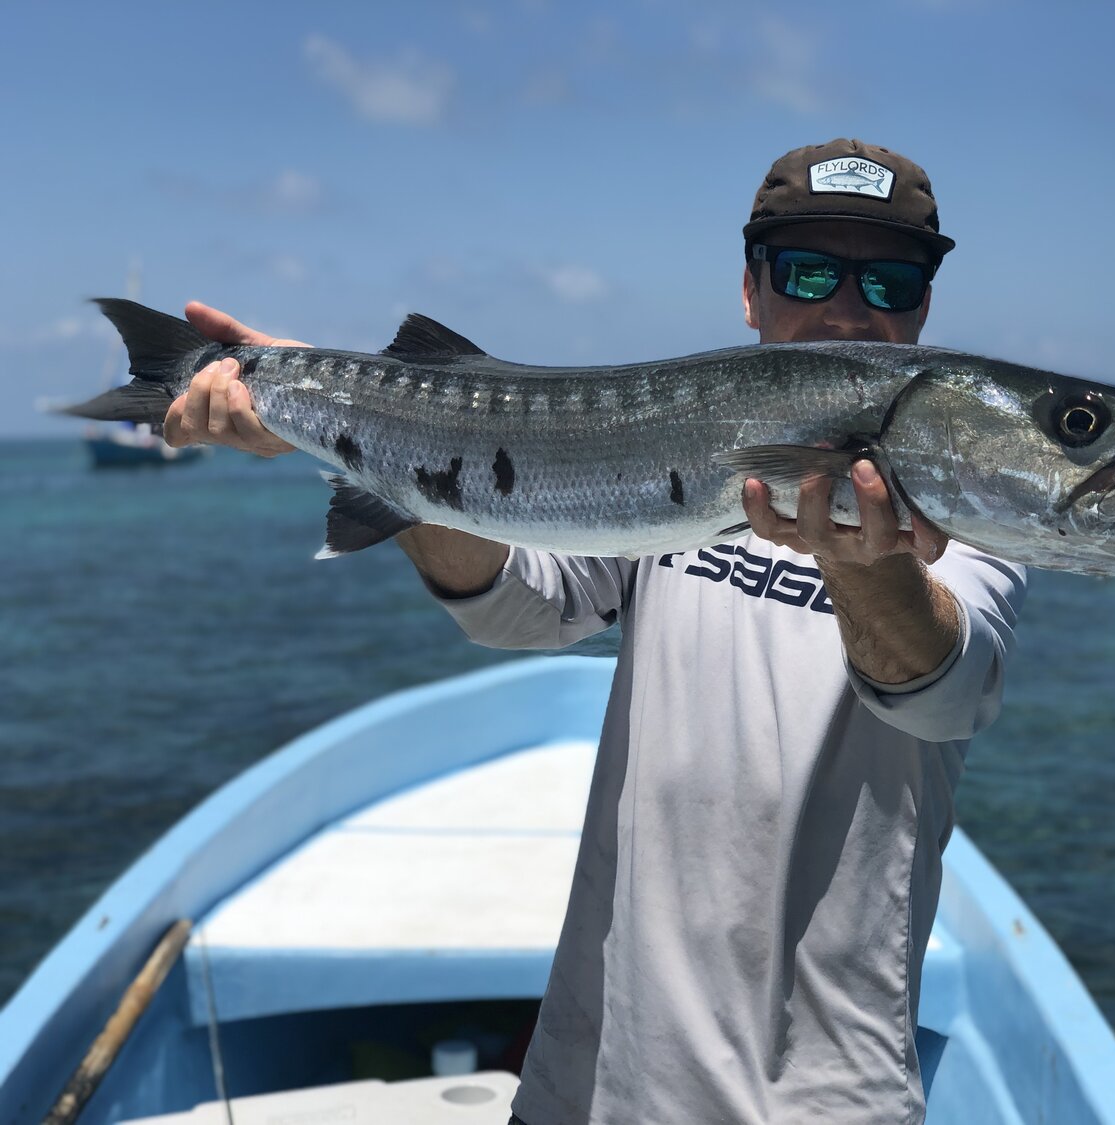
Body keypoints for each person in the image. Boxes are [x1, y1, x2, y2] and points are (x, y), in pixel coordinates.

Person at [166, 138, 1026, 1125]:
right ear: (751, 290)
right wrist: (352, 420)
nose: (846, 310)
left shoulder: (966, 505)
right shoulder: (669, 440)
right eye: (809, 272)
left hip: (821, 1101)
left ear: (925, 305)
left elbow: (941, 685)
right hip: (583, 1085)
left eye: (890, 280)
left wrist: (861, 555)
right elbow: (513, 605)